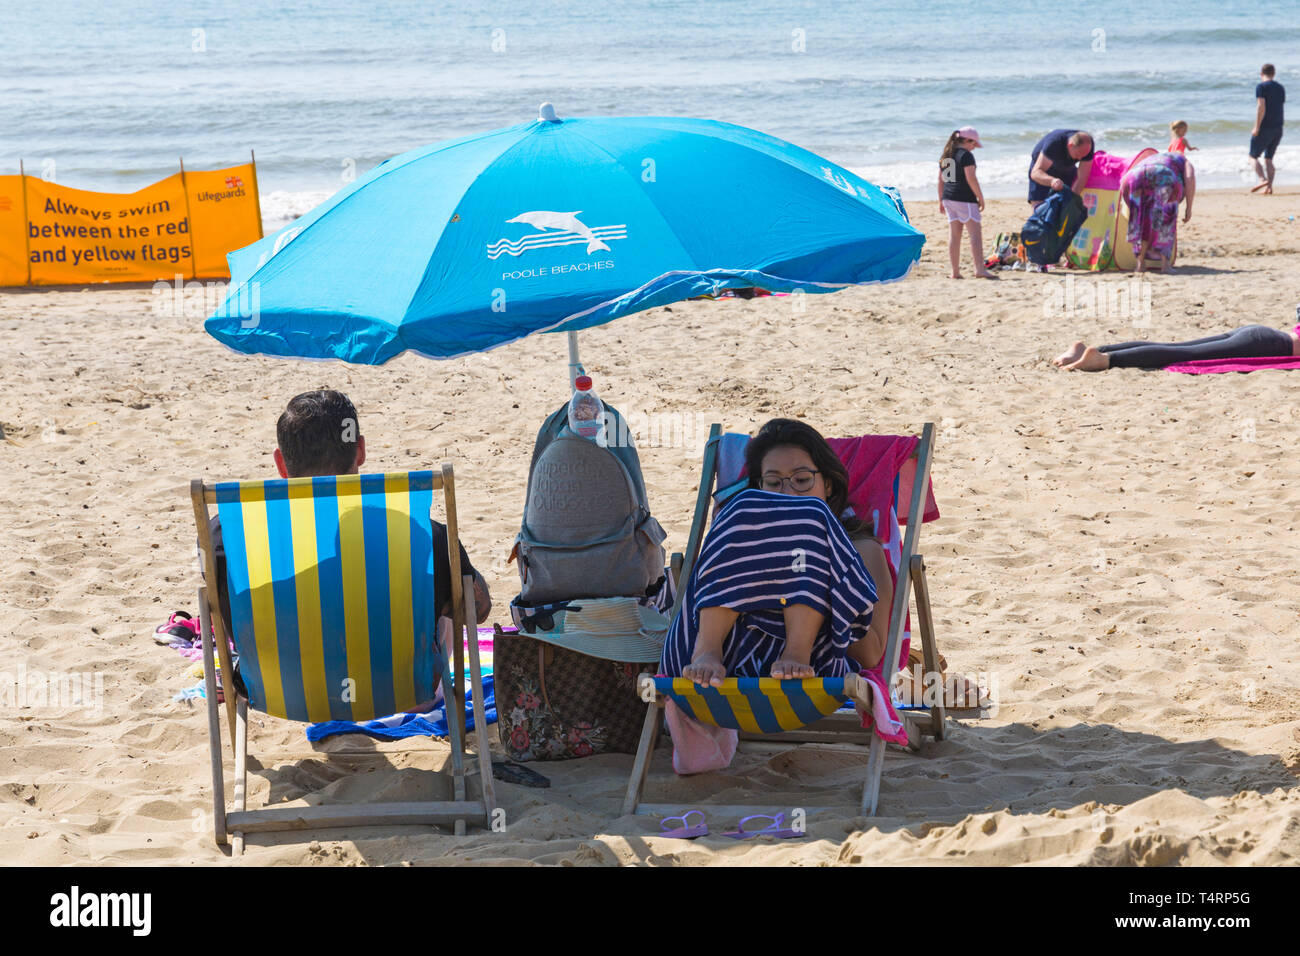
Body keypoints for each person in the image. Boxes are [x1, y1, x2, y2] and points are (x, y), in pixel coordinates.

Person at [205, 390, 492, 660]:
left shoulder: (224, 536)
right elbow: (477, 612)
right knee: (434, 587)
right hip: (401, 691)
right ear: (360, 450)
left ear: (281, 463)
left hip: (280, 695)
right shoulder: (420, 534)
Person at [662, 419, 891, 685]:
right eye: (773, 483)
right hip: (723, 663)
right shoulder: (744, 531)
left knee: (809, 517)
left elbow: (872, 654)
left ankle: (796, 650)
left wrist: (831, 590)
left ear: (828, 485)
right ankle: (707, 649)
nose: (788, 493)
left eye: (802, 480)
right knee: (738, 507)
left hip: (813, 671)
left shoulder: (861, 548)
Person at [1053, 323, 1300, 371]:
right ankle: (1108, 359)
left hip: (1259, 333)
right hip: (1265, 344)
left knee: (1177, 346)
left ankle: (1093, 349)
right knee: (1184, 353)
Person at [1119, 151, 1195, 273]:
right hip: (1165, 176)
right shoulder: (1184, 160)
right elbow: (1190, 178)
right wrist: (1189, 208)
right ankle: (1165, 265)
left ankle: (1140, 264)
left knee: (1141, 220)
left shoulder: (1151, 158)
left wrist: (1133, 209)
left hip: (1134, 175)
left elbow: (1124, 182)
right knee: (1166, 220)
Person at [937, 127, 996, 280]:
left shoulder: (946, 155)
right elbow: (971, 178)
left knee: (954, 236)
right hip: (965, 199)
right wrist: (980, 197)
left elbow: (941, 180)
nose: (974, 148)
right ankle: (979, 269)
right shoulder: (966, 156)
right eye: (973, 144)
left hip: (949, 198)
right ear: (967, 141)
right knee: (975, 235)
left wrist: (941, 200)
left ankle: (955, 272)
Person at [1027, 129, 1095, 208]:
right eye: (1078, 154)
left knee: (1064, 207)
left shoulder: (1086, 147)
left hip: (1067, 169)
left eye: (1084, 156)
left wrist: (1072, 199)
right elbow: (1035, 173)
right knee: (1040, 209)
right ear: (1070, 145)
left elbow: (1082, 177)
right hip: (1042, 171)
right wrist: (1052, 181)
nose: (1080, 158)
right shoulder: (1054, 143)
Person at [1250, 63, 1286, 194]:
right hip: (1278, 127)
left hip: (1265, 127)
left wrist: (1256, 127)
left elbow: (1261, 107)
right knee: (1269, 158)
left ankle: (1261, 179)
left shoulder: (1261, 87)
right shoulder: (1280, 88)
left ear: (1261, 74)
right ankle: (1269, 187)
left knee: (1253, 156)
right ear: (1274, 73)